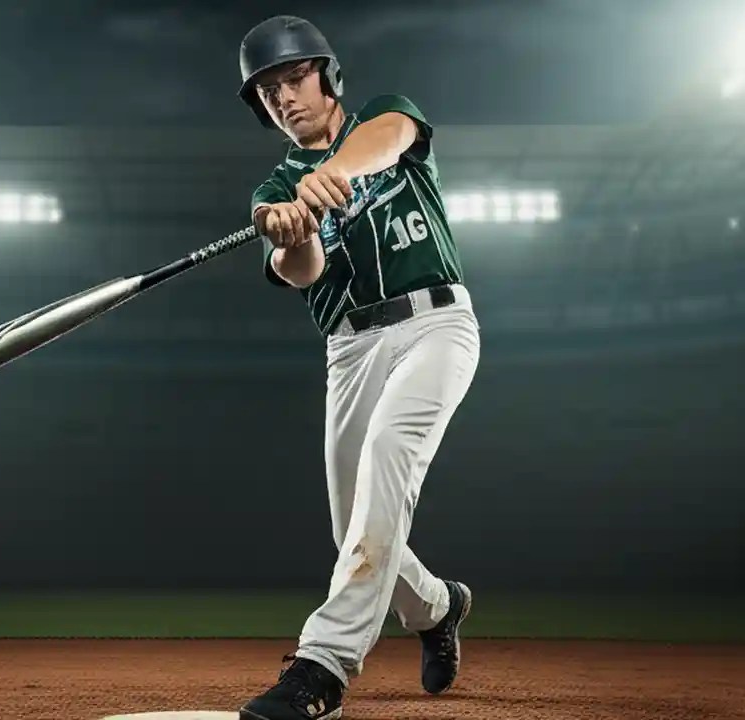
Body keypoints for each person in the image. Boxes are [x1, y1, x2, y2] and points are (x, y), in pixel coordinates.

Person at [234, 15, 482, 720]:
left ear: (326, 74)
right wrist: (294, 228)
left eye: (293, 78)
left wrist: (332, 174)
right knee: (356, 527)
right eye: (267, 91)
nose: (283, 97)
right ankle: (437, 608)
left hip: (435, 323)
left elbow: (390, 140)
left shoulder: (380, 117)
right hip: (350, 348)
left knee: (386, 455)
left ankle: (323, 667)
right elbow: (299, 270)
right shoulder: (273, 188)